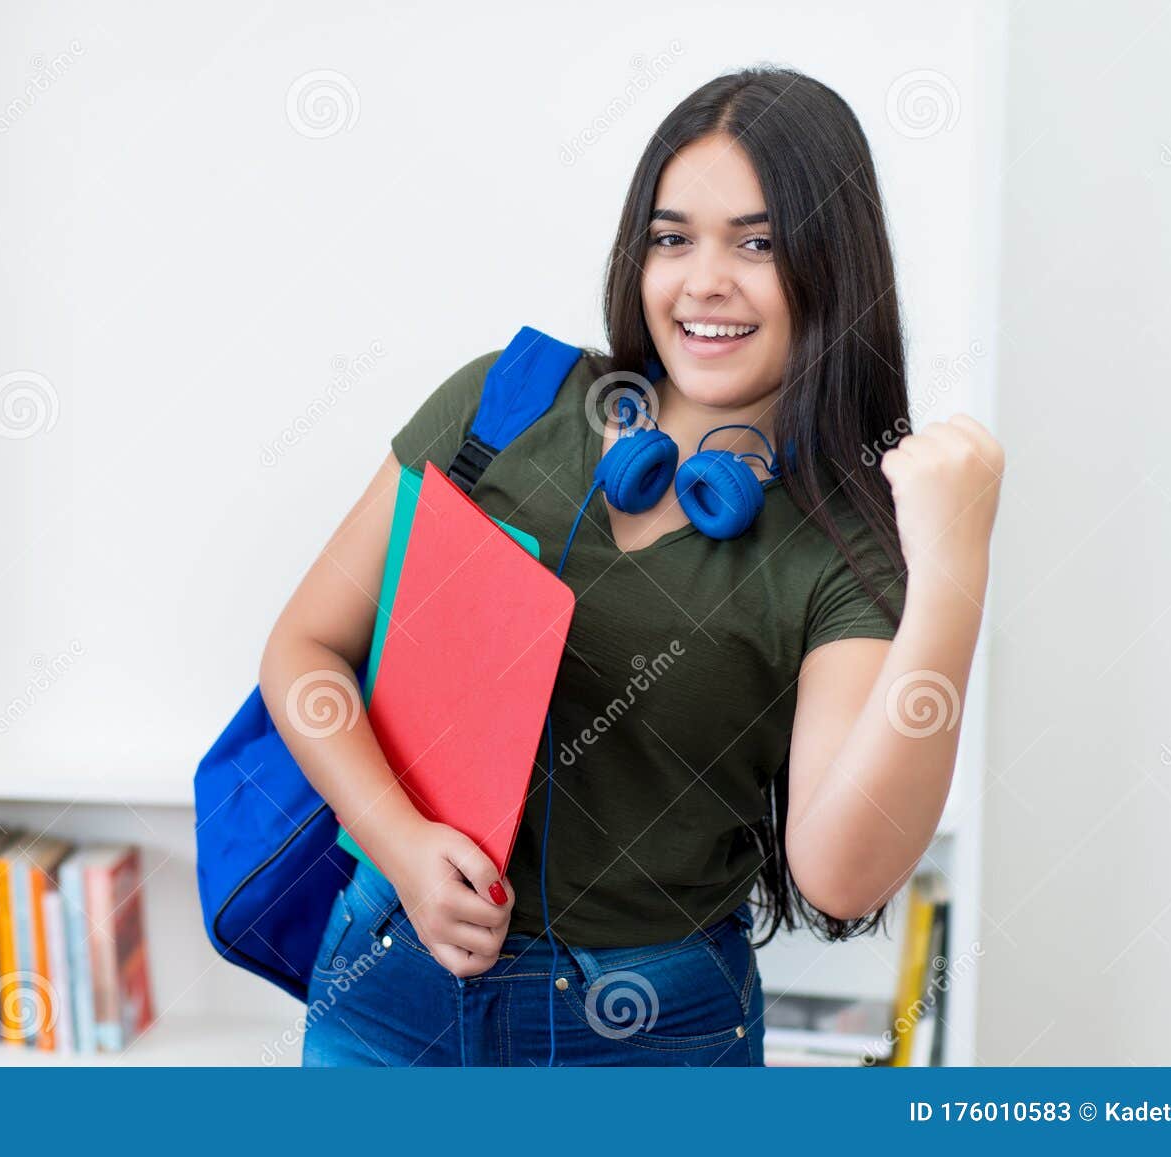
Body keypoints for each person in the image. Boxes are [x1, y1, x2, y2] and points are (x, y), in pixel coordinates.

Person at [259, 65, 1004, 1067]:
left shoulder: (842, 546)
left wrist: (953, 572)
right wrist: (395, 838)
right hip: (388, 987)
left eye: (757, 242)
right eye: (671, 238)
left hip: (650, 1036)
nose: (702, 279)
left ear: (832, 264)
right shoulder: (502, 405)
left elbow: (841, 876)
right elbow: (304, 651)